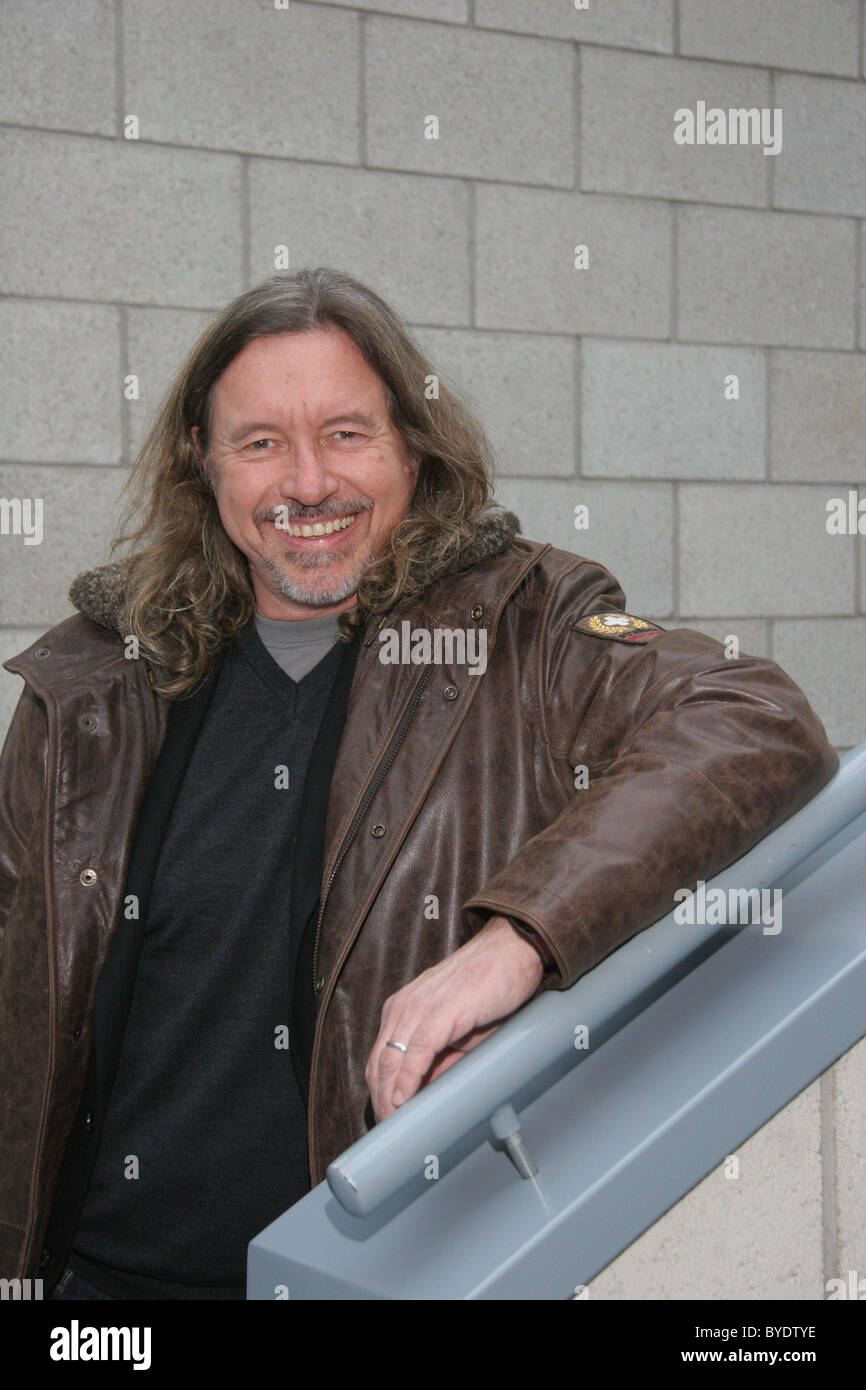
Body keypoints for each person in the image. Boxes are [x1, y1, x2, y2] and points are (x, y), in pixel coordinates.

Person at [0, 269, 837, 1300]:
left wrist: (520, 935)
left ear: (411, 443)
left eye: (347, 433)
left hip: (368, 1281)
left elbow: (751, 718)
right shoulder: (92, 683)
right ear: (200, 461)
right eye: (260, 442)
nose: (307, 483)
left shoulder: (522, 629)